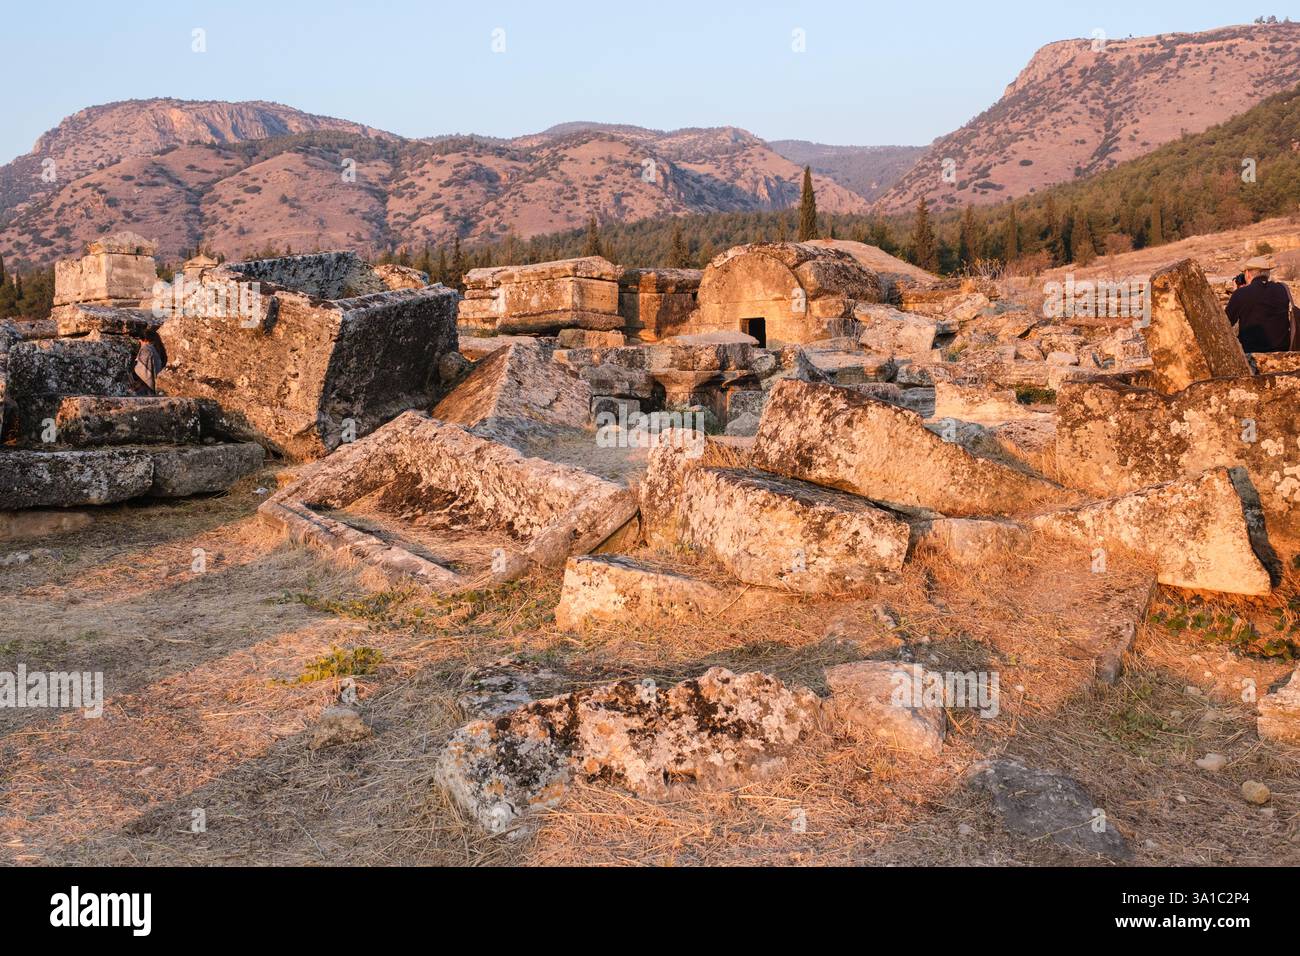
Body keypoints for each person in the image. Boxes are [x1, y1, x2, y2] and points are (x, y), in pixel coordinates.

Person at [1226, 255, 1293, 353]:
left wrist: (1237, 294)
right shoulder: (1282, 289)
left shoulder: (1241, 294)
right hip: (1282, 349)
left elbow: (1226, 322)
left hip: (1252, 352)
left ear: (1248, 274)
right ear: (1268, 274)